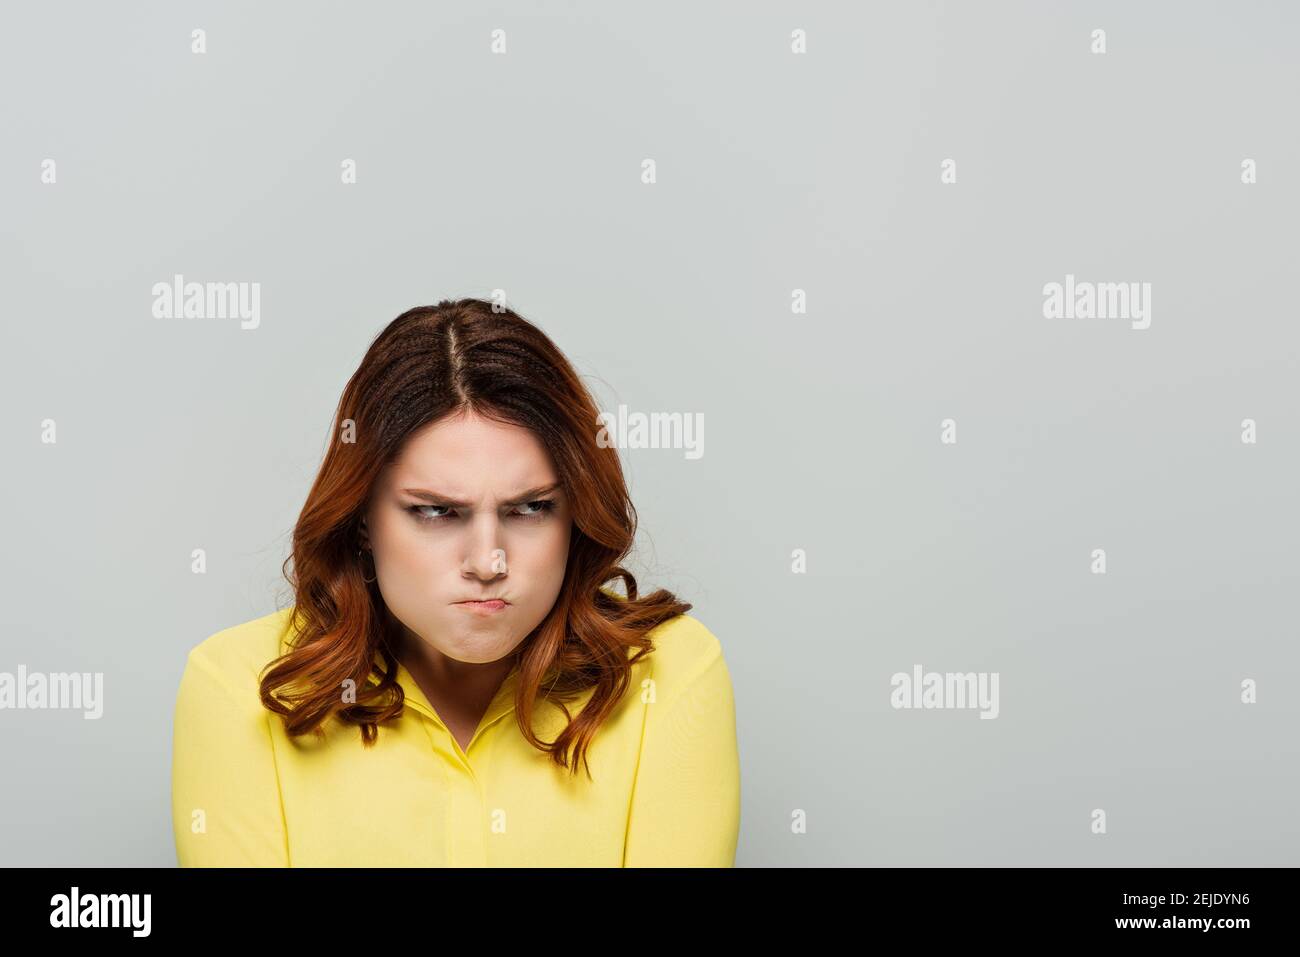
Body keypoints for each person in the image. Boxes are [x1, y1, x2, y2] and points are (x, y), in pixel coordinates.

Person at [170, 298, 740, 866]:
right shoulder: (240, 686)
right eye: (438, 512)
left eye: (531, 508)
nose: (488, 561)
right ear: (363, 517)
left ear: (576, 513)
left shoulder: (669, 673)